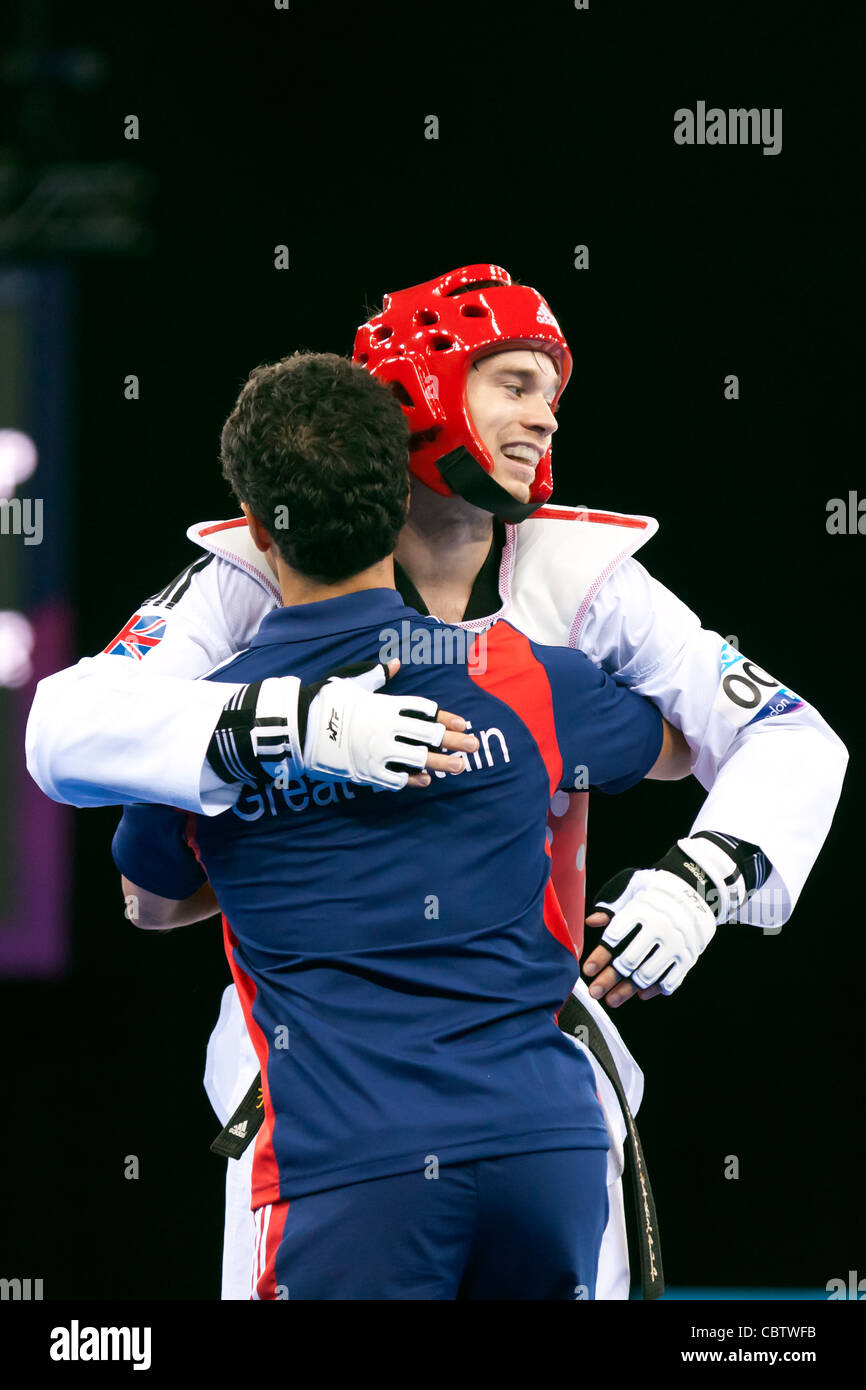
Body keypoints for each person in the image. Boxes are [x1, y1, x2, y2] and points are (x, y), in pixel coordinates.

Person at [24, 265, 848, 1299]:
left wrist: (699, 881)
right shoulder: (247, 572)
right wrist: (304, 732)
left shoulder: (577, 576)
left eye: (549, 390)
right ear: (415, 391)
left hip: (525, 1054)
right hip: (317, 1076)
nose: (543, 417)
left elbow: (780, 735)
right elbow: (66, 724)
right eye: (512, 382)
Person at [113, 350, 684, 1300]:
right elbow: (675, 744)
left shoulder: (200, 722)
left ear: (255, 529)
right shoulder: (534, 678)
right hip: (545, 1148)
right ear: (404, 500)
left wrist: (281, 832)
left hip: (345, 1166)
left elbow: (148, 903)